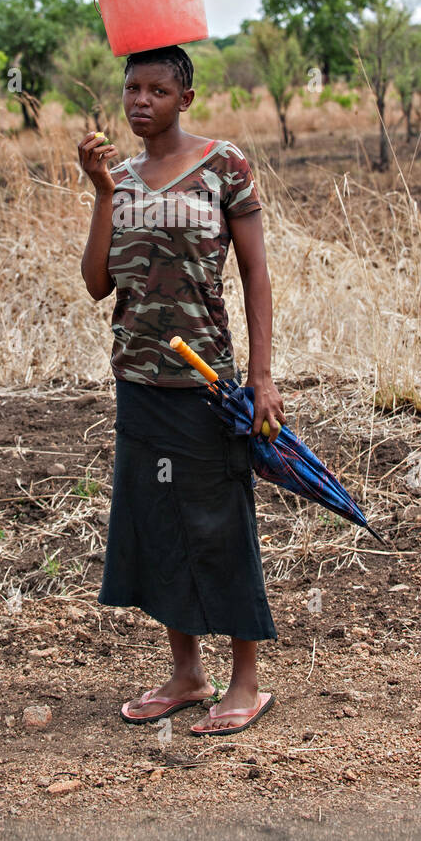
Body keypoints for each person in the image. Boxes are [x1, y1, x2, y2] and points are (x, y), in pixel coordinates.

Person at [78, 43, 284, 737]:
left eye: (157, 90)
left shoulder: (223, 165)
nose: (140, 101)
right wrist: (104, 194)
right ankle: (187, 674)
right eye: (132, 88)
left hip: (207, 381)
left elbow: (255, 273)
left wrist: (260, 377)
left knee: (220, 526)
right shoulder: (123, 176)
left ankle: (245, 682)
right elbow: (97, 283)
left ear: (184, 98)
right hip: (138, 378)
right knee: (159, 526)